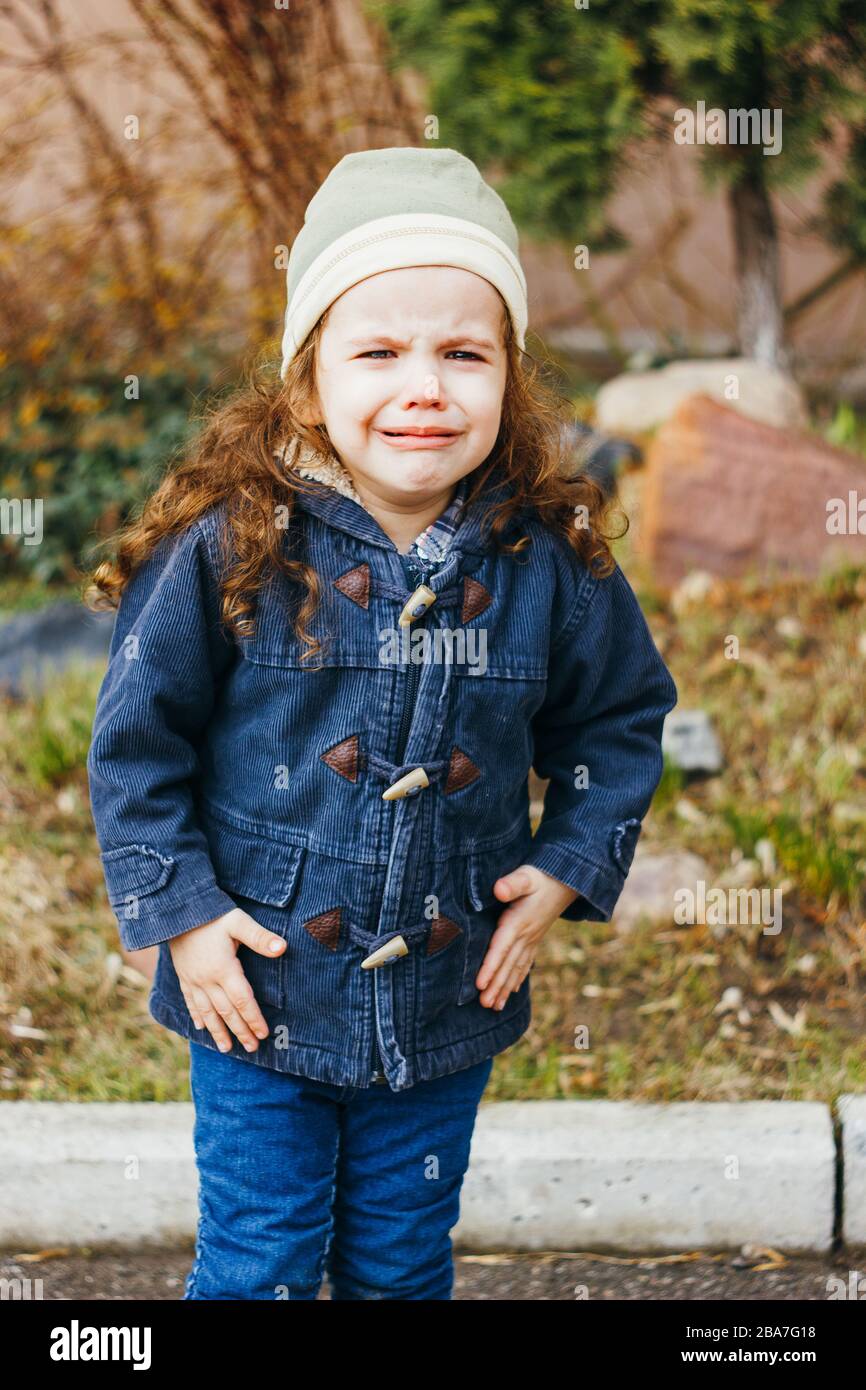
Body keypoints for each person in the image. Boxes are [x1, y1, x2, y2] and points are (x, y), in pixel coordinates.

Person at [85, 146, 678, 1300]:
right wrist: (185, 917)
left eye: (464, 352)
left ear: (508, 375)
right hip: (259, 1005)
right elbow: (136, 743)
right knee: (259, 1262)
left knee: (400, 1267)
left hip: (446, 999)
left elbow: (619, 720)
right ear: (307, 380)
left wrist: (563, 866)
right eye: (379, 352)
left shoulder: (546, 558)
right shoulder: (231, 543)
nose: (425, 386)